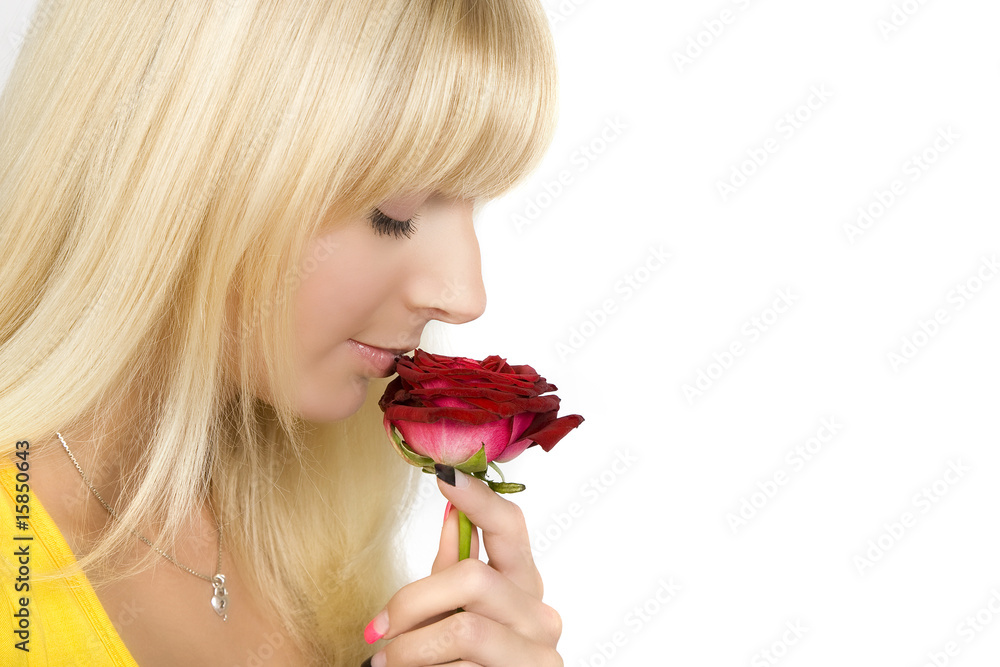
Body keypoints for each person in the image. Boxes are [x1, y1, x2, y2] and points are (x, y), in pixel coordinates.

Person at [0, 0, 562, 665]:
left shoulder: (300, 542)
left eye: (472, 205)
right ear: (181, 167)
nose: (465, 296)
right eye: (395, 211)